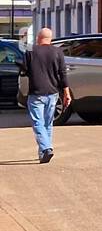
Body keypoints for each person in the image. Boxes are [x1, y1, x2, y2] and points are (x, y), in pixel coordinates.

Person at [25, 27, 71, 164]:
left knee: (38, 122)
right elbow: (63, 73)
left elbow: (24, 69)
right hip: (53, 93)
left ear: (39, 38)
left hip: (36, 92)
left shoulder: (30, 51)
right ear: (50, 39)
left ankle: (46, 148)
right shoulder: (58, 52)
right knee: (47, 123)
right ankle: (43, 152)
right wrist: (66, 93)